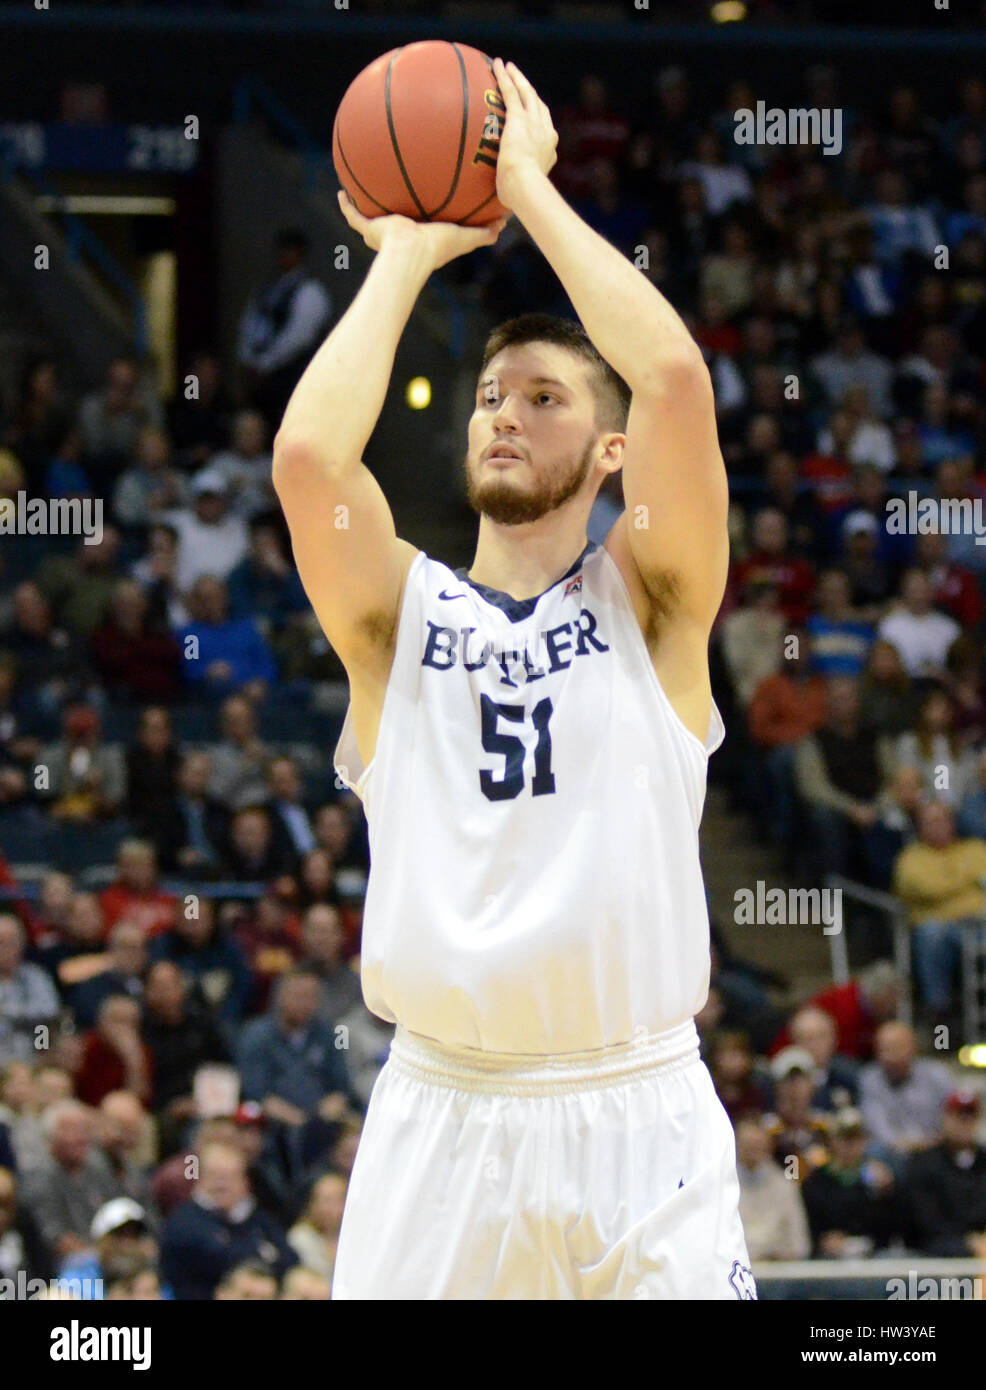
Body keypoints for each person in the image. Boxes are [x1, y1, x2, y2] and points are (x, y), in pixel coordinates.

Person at [275, 58, 751, 1300]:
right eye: (490, 393)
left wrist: (526, 189)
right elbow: (310, 457)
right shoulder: (393, 617)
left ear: (606, 451)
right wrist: (407, 251)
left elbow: (675, 382)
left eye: (543, 399)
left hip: (637, 1108)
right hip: (442, 1113)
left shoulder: (652, 604)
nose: (503, 414)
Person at [159, 1141, 297, 1300]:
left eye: (230, 1177)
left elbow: (290, 1259)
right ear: (199, 1178)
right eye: (214, 1176)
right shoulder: (184, 1221)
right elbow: (218, 1258)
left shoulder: (260, 1218)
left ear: (245, 1182)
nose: (222, 1184)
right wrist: (264, 1252)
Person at [237, 229, 332, 432]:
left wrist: (266, 364)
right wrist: (249, 360)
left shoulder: (310, 291)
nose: (283, 255)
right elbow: (249, 325)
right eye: (281, 250)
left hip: (290, 376)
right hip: (261, 376)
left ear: (300, 254)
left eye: (289, 250)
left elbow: (298, 338)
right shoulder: (265, 288)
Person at [799, 1108, 899, 1257]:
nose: (850, 1145)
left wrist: (888, 1192)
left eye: (856, 1138)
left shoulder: (877, 1176)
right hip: (829, 1256)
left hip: (873, 1252)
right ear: (832, 1140)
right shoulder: (816, 1181)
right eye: (844, 1138)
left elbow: (894, 1228)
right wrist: (822, 1239)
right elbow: (808, 1226)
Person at [899, 1090, 986, 1256]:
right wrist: (968, 1241)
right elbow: (925, 1220)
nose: (964, 1123)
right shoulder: (924, 1162)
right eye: (958, 1117)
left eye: (970, 1117)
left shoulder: (983, 1160)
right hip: (936, 1247)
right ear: (944, 1118)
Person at [858, 1022, 954, 1164]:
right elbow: (878, 1130)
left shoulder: (937, 1075)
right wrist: (911, 1145)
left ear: (913, 1048)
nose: (890, 1057)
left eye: (896, 1048)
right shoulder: (870, 1079)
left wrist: (937, 1141)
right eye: (884, 1050)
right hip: (892, 1156)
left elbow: (952, 1119)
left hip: (936, 1151)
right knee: (874, 1154)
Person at [733, 1116, 811, 1262]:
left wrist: (775, 1255)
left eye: (757, 1145)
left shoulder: (786, 1187)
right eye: (748, 1146)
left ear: (769, 1147)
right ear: (736, 1145)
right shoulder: (723, 1188)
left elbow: (800, 1244)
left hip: (777, 1275)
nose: (753, 1151)